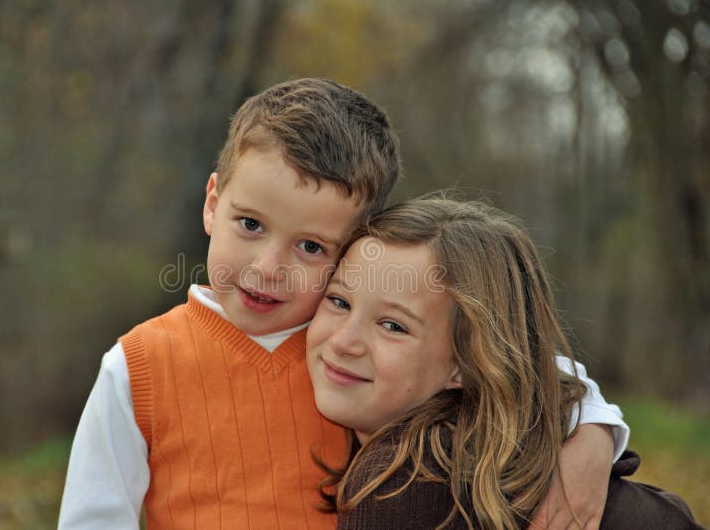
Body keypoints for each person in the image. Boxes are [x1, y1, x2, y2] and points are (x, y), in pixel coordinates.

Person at [58, 79, 626, 529]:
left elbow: (519, 368)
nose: (268, 269)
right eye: (250, 224)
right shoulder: (137, 368)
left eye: (311, 247)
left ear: (355, 251)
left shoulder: (346, 352)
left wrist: (593, 433)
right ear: (213, 203)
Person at [306, 193, 702, 530]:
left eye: (393, 326)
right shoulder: (492, 439)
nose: (343, 342)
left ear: (465, 364)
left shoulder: (403, 484)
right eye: (339, 301)